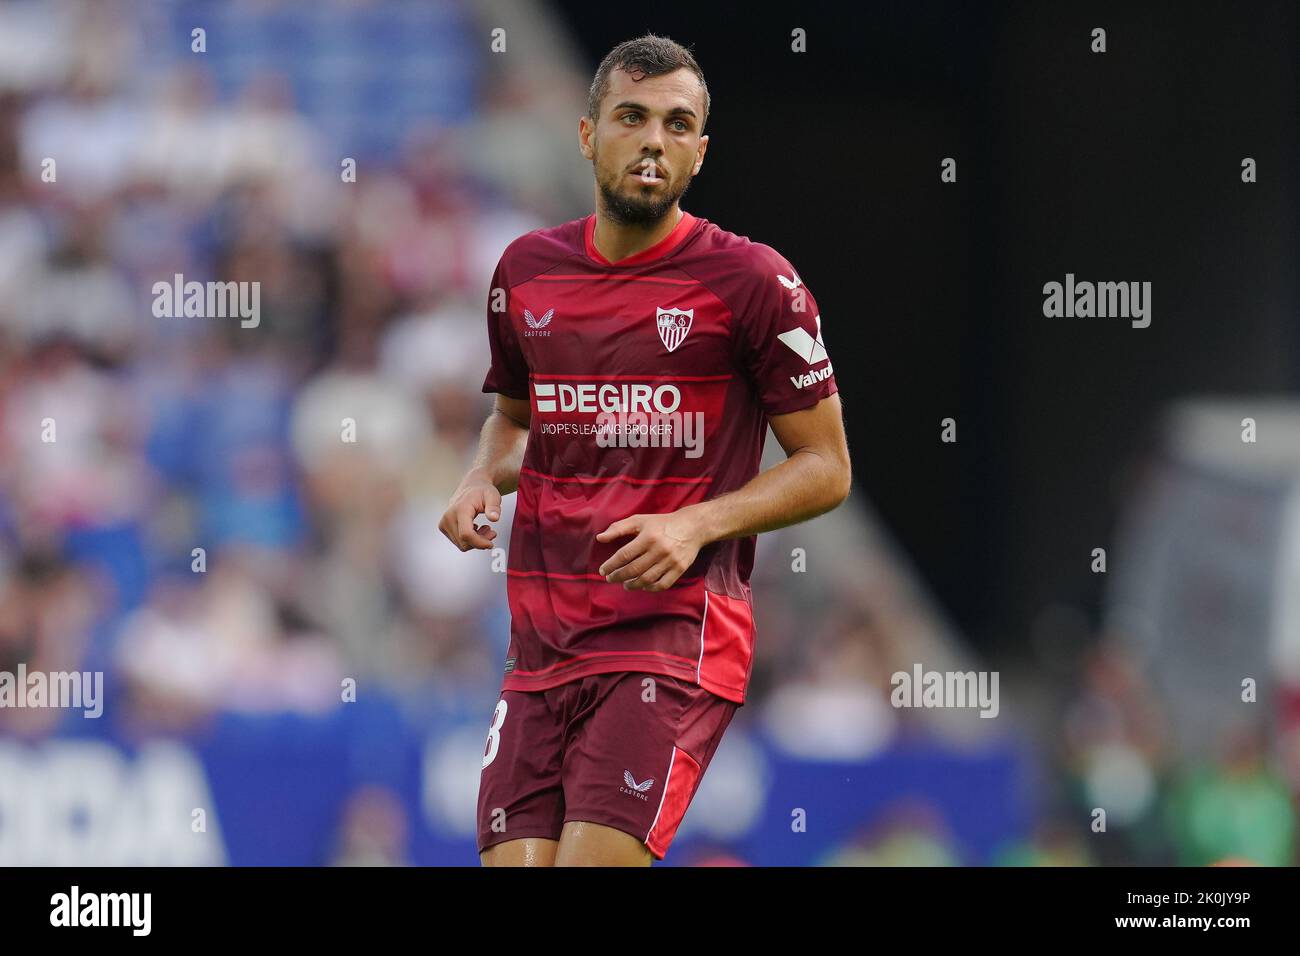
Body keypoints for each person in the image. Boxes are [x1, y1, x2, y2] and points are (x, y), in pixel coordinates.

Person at [440, 33, 851, 866]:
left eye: (676, 124)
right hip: (540, 650)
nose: (653, 141)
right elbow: (521, 421)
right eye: (631, 117)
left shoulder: (754, 284)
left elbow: (827, 468)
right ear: (590, 134)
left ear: (700, 151)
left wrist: (694, 525)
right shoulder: (525, 271)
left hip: (671, 640)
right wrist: (483, 474)